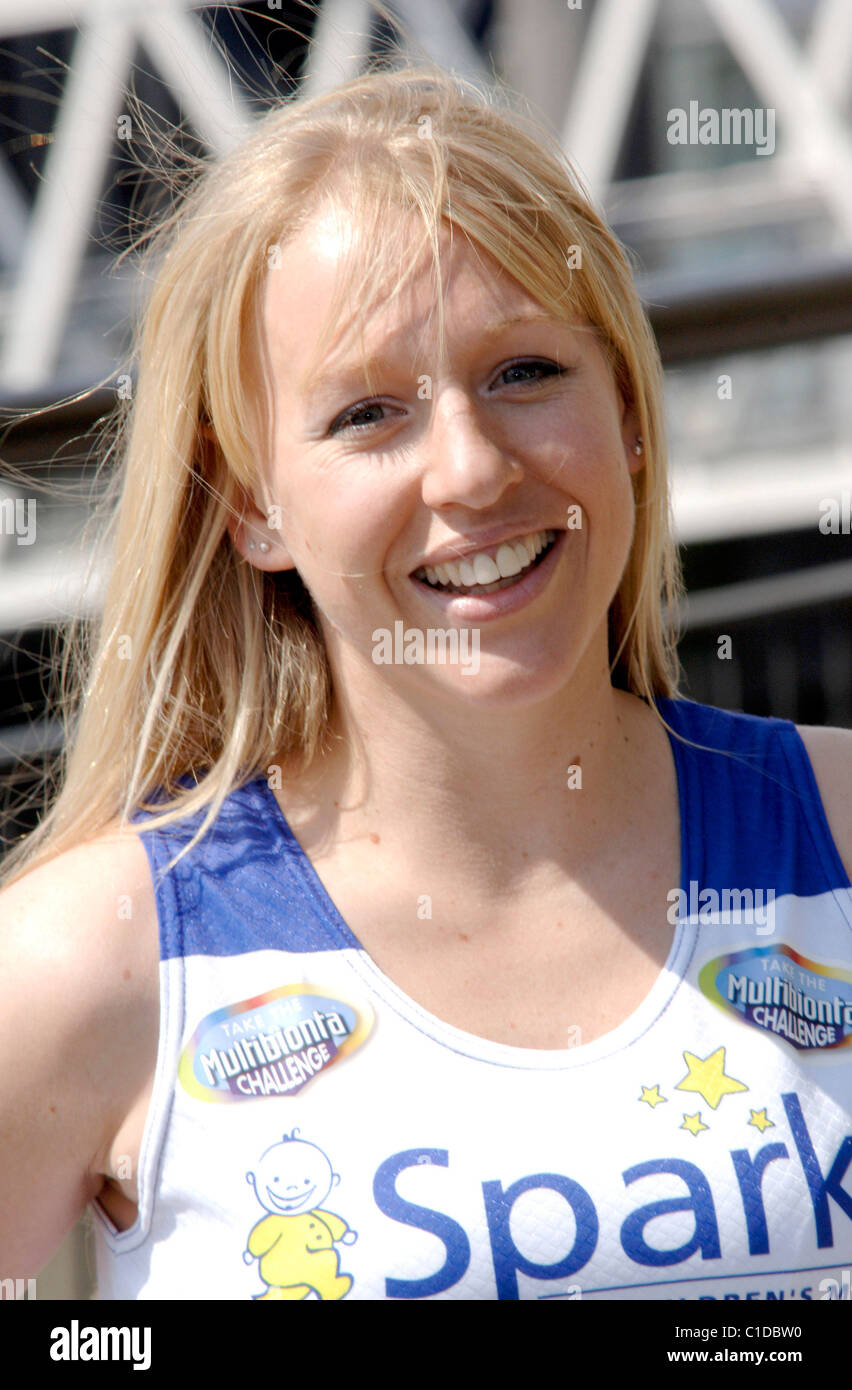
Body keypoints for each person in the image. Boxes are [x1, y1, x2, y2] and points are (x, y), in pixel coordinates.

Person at [1, 61, 851, 1303]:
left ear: (628, 408)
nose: (467, 470)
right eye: (367, 415)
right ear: (250, 501)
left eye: (525, 373)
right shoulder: (91, 958)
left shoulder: (838, 833)